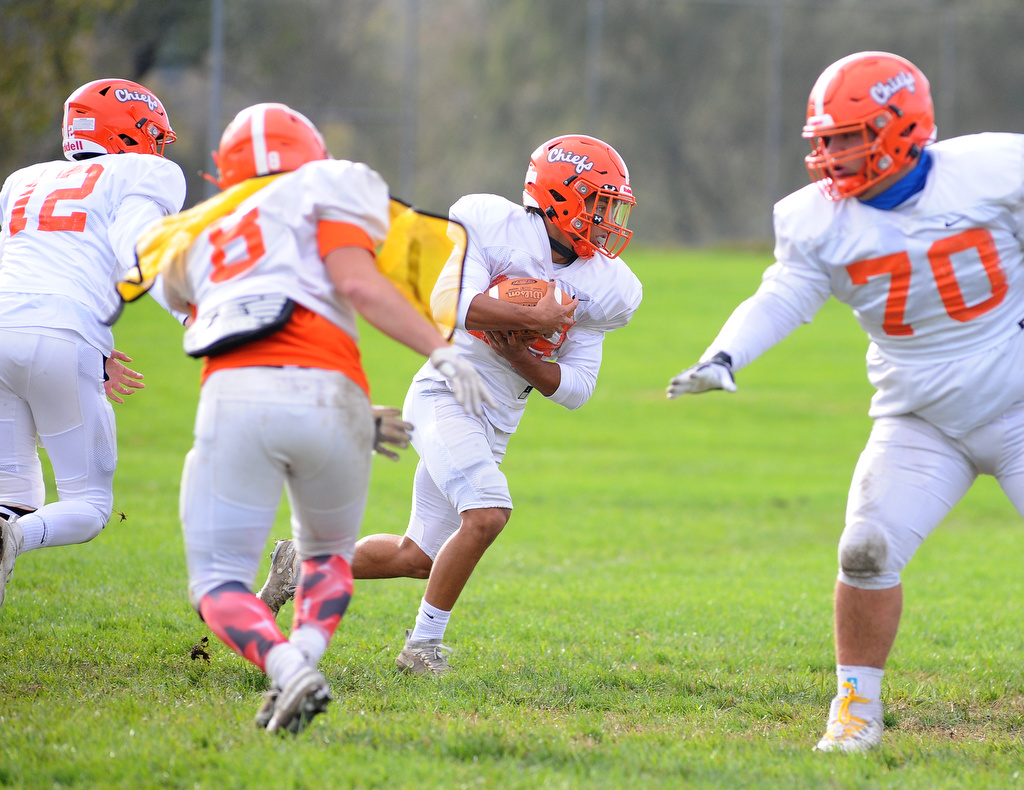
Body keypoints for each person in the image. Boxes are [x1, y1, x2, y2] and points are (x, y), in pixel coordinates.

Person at [668, 50, 1024, 752]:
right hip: (921, 419)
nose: (831, 154)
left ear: (901, 127)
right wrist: (724, 355)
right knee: (864, 549)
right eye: (823, 139)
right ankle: (856, 711)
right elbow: (786, 294)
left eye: (848, 136)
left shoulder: (993, 170)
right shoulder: (814, 219)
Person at [148, 102, 492, 734]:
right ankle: (303, 659)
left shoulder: (195, 230)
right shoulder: (325, 192)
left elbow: (197, 309)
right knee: (327, 558)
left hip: (234, 398)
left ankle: (287, 667)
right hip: (335, 398)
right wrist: (440, 350)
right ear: (309, 155)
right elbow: (357, 285)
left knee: (218, 584)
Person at [257, 133, 643, 676]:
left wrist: (521, 356)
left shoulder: (608, 287)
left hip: (498, 419)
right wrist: (528, 318)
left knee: (418, 558)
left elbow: (577, 388)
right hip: (444, 396)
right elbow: (447, 304)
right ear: (561, 195)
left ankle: (301, 561)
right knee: (487, 514)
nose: (608, 220)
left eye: (613, 207)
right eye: (600, 203)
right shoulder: (493, 224)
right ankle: (421, 649)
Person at [0, 78, 185, 611]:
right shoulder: (144, 172)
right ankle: (15, 539)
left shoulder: (22, 180)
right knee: (87, 506)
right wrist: (200, 318)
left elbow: (30, 270)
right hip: (63, 338)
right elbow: (141, 252)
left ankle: (8, 532)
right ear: (131, 133)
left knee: (12, 496)